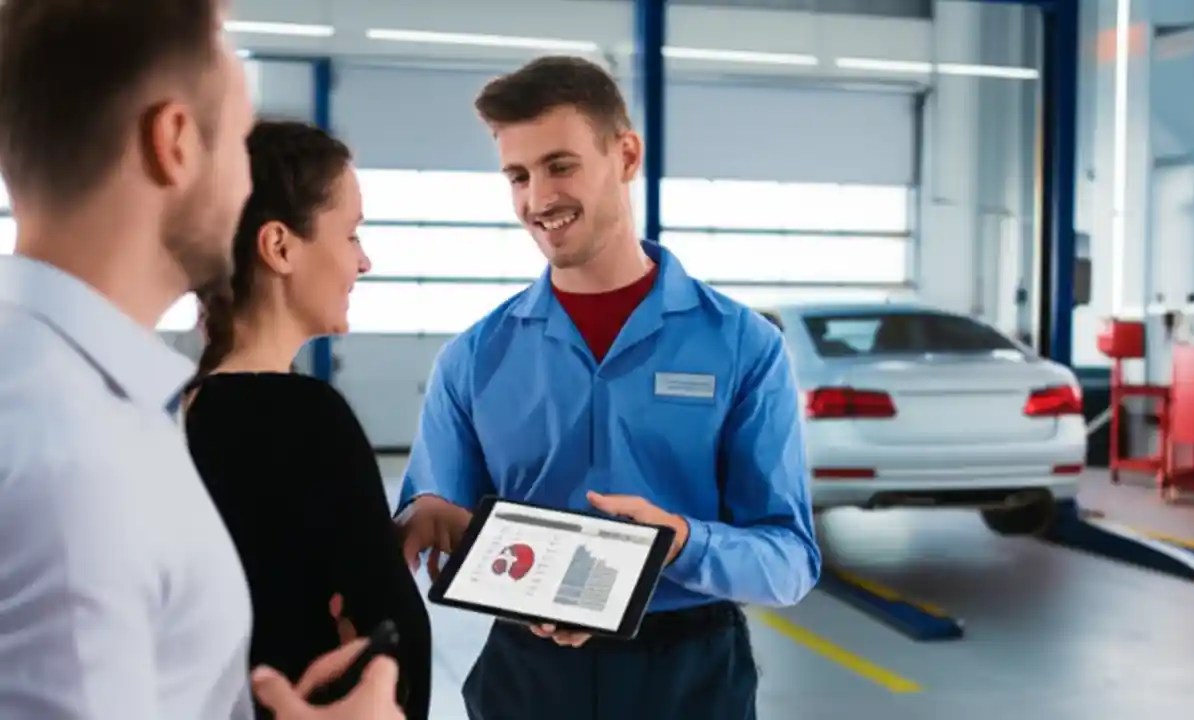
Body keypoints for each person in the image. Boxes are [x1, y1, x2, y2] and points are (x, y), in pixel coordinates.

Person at [0, 2, 402, 718]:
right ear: (176, 142)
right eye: (238, 143)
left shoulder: (100, 395)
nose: (247, 187)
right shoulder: (71, 456)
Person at [395, 55, 822, 719]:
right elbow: (436, 523)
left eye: (560, 165)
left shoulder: (742, 347)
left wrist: (680, 540)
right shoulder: (473, 359)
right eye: (518, 176)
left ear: (625, 155)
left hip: (690, 677)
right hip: (525, 678)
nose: (538, 199)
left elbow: (789, 559)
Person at [183, 119, 433, 720]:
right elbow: (392, 643)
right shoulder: (304, 417)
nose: (363, 261)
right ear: (280, 247)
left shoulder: (185, 406)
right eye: (350, 235)